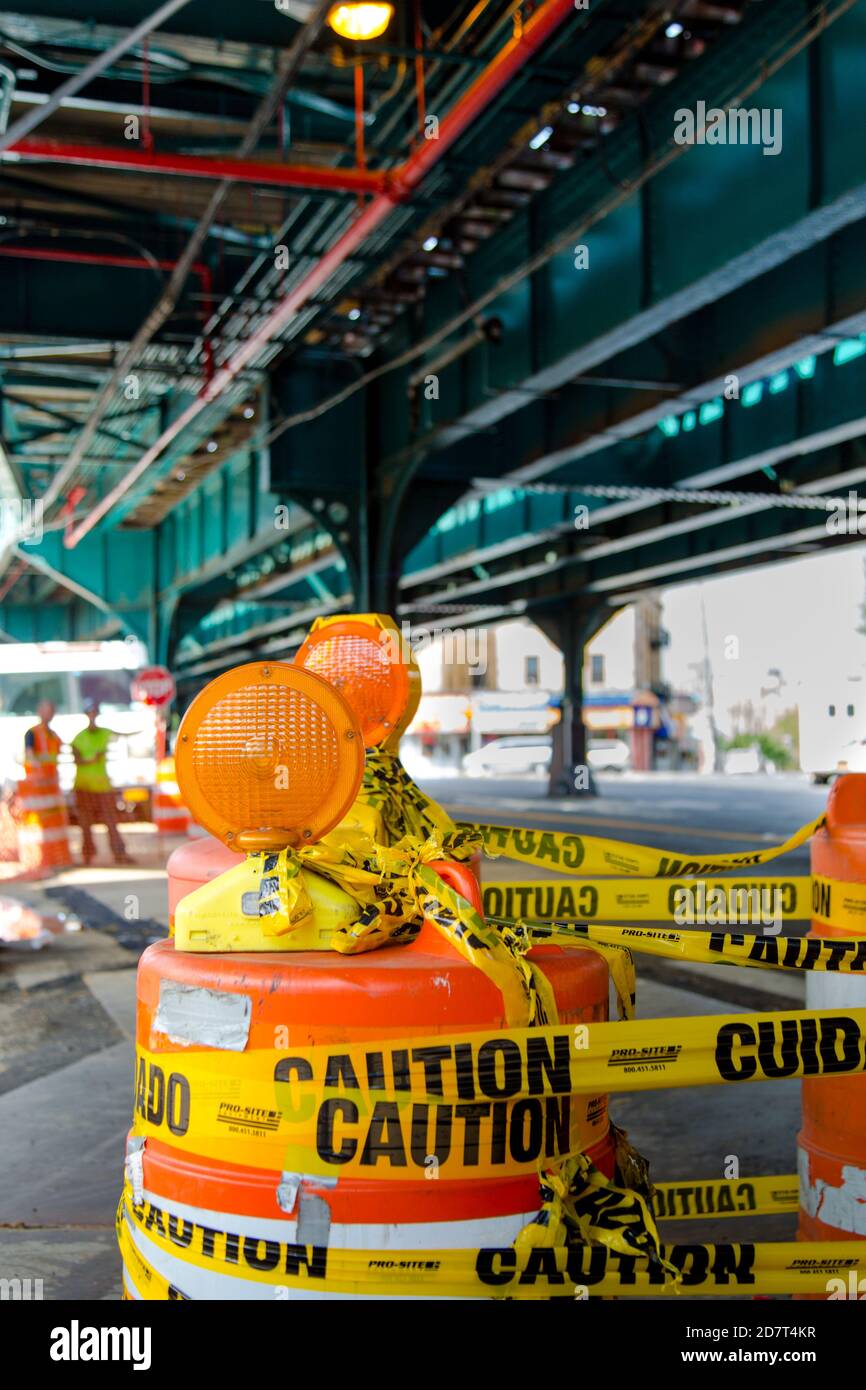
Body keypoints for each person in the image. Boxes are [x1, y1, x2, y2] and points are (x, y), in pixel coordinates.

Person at [71, 700, 133, 866]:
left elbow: (124, 734)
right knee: (85, 824)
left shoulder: (104, 733)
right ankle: (87, 855)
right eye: (89, 713)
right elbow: (77, 760)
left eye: (94, 713)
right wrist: (91, 760)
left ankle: (119, 854)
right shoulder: (79, 738)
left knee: (111, 822)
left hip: (103, 786)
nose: (92, 716)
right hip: (84, 787)